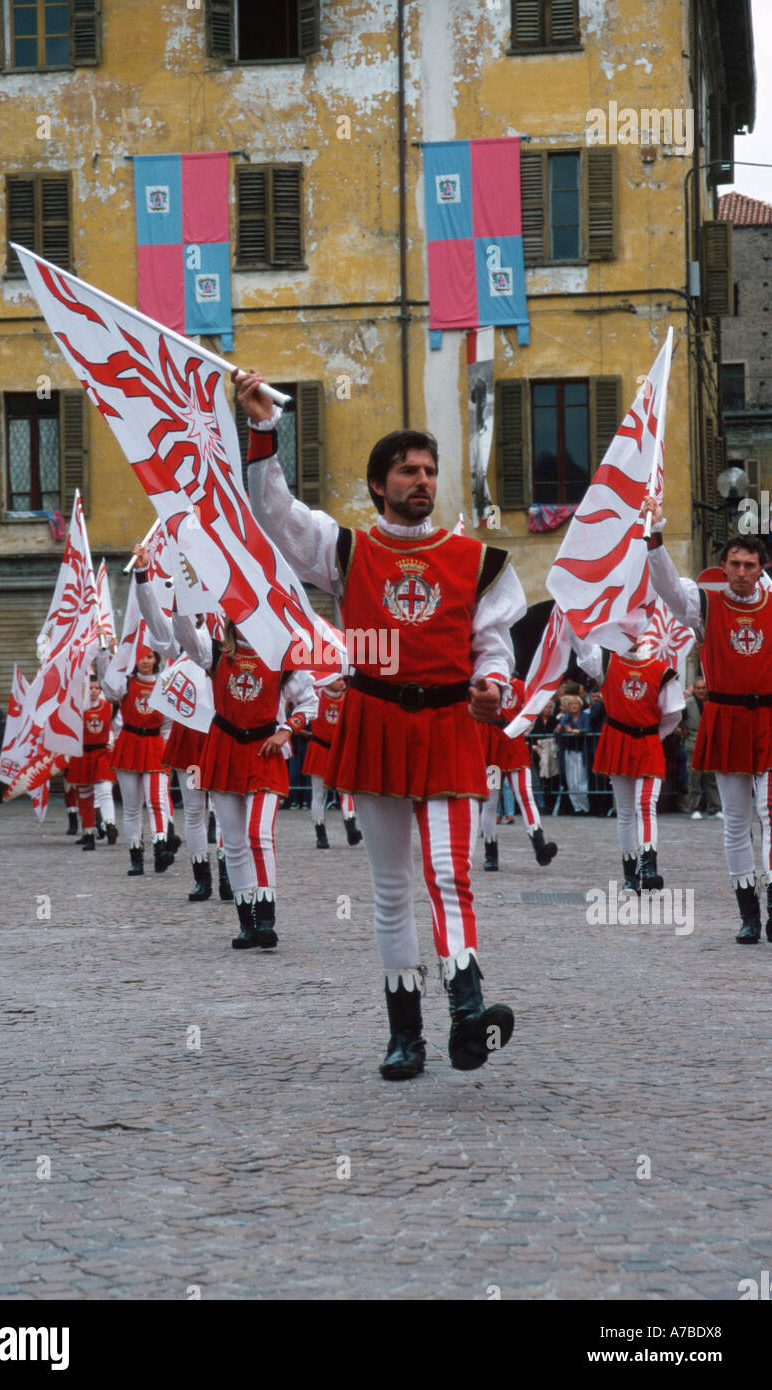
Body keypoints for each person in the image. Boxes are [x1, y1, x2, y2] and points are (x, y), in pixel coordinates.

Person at [240, 369, 526, 1080]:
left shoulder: (478, 561)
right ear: (379, 485)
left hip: (451, 725)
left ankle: (467, 1010)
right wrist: (261, 430)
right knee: (392, 889)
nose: (422, 480)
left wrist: (494, 686)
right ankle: (406, 1035)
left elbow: (495, 647)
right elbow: (274, 511)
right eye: (407, 470)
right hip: (374, 725)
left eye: (429, 470)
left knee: (449, 874)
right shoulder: (347, 552)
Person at [642, 497, 772, 943]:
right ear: (723, 566)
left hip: (770, 716)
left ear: (761, 568)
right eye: (733, 563)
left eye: (749, 564)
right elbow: (665, 587)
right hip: (726, 714)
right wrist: (654, 536)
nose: (740, 572)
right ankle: (748, 915)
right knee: (735, 822)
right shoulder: (703, 604)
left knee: (770, 813)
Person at [198, 618, 317, 949]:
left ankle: (266, 918)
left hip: (264, 750)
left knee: (258, 833)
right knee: (233, 842)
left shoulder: (282, 659)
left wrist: (286, 730)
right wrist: (152, 581)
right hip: (224, 750)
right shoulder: (215, 653)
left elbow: (309, 701)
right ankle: (246, 923)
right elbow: (171, 635)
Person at [131, 546, 231, 904]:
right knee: (193, 810)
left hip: (221, 732)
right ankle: (201, 876)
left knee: (221, 810)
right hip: (190, 737)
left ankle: (228, 876)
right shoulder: (179, 644)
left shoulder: (221, 635)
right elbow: (158, 621)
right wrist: (144, 578)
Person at [584, 645, 684, 892]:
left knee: (646, 804)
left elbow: (673, 715)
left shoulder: (661, 671)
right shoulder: (606, 661)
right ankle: (631, 875)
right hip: (618, 740)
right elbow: (583, 653)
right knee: (626, 811)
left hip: (648, 743)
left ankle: (649, 868)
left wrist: (653, 736)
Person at [95, 641, 174, 876]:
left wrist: (168, 746)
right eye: (141, 657)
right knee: (131, 806)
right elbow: (107, 685)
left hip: (154, 745)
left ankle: (160, 847)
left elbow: (168, 722)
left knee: (157, 800)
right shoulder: (126, 684)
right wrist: (104, 653)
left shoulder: (164, 684)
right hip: (129, 744)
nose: (145, 661)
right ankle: (136, 855)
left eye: (149, 657)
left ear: (156, 659)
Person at [479, 676, 557, 871]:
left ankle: (540, 847)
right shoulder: (485, 683)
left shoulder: (520, 686)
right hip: (492, 749)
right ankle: (490, 854)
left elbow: (530, 714)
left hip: (514, 745)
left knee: (525, 794)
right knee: (490, 801)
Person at [301, 677, 362, 848]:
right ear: (327, 680)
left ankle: (350, 825)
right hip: (320, 747)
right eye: (338, 679)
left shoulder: (347, 698)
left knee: (346, 790)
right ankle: (320, 833)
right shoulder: (316, 695)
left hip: (340, 749)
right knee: (318, 794)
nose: (343, 683)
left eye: (343, 679)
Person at [64, 674, 119, 851]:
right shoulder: (77, 709)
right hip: (82, 754)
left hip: (102, 752)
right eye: (90, 688)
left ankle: (110, 824)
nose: (94, 691)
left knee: (104, 788)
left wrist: (113, 741)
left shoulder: (109, 707)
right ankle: (89, 833)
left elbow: (116, 727)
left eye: (97, 688)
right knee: (85, 796)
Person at [681, 677, 722, 818]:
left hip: (711, 745)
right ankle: (695, 808)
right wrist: (682, 730)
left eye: (703, 688)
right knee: (694, 778)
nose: (701, 691)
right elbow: (677, 719)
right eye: (698, 688)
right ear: (695, 689)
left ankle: (715, 809)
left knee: (712, 778)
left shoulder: (713, 703)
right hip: (693, 743)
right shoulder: (687, 704)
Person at [556, 695, 590, 813]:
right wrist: (559, 728)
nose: (574, 706)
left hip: (580, 750)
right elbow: (558, 729)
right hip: (569, 750)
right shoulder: (566, 717)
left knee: (580, 779)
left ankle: (585, 806)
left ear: (580, 706)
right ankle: (576, 807)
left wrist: (575, 731)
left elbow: (587, 729)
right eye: (571, 704)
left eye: (576, 704)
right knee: (571, 780)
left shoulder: (585, 716)